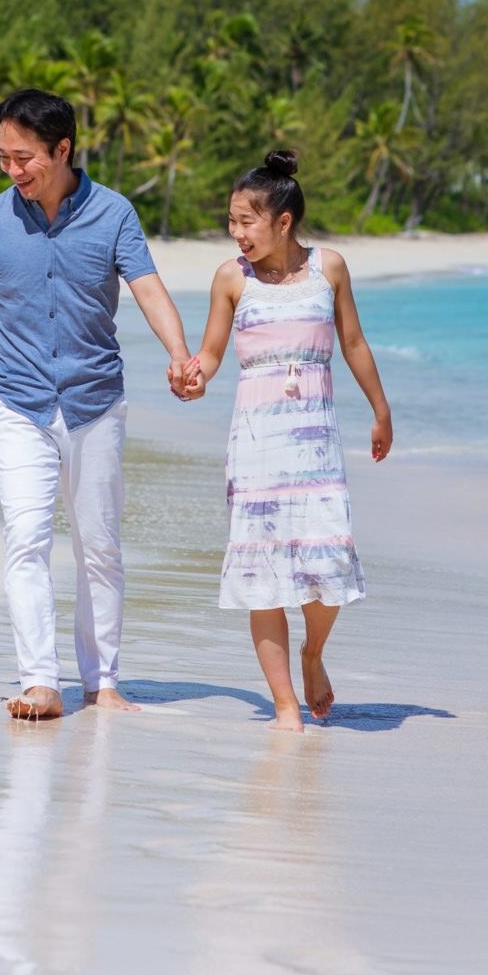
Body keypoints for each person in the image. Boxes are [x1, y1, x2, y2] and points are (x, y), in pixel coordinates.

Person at [0, 89, 193, 721]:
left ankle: (104, 682)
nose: (12, 171)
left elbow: (148, 288)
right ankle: (40, 680)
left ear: (62, 150)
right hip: (19, 402)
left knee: (99, 544)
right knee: (26, 538)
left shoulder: (114, 214)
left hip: (95, 402)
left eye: (24, 158)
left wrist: (179, 353)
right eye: (3, 158)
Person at [182, 150, 394, 731]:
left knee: (327, 563)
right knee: (262, 575)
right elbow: (213, 354)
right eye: (231, 221)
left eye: (246, 221)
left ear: (283, 221)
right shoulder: (232, 278)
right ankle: (283, 706)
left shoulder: (330, 268)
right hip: (255, 443)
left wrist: (381, 410)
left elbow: (352, 342)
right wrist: (192, 375)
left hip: (316, 443)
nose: (236, 234)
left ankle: (313, 653)